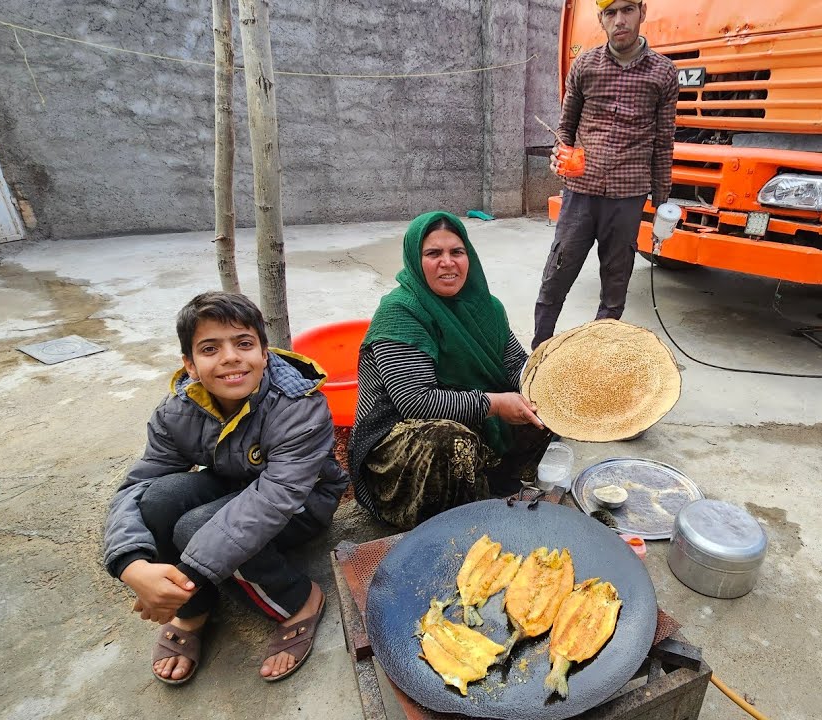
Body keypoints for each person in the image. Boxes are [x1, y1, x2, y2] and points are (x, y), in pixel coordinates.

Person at [102, 292, 348, 685]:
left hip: (301, 504)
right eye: (210, 348)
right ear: (190, 365)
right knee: (158, 499)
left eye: (244, 343)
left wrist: (184, 578)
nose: (231, 357)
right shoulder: (177, 410)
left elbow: (272, 501)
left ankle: (299, 601)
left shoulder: (299, 406)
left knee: (196, 527)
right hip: (234, 483)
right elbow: (138, 484)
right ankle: (194, 609)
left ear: (264, 353)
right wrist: (130, 563)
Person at [349, 211, 551, 529]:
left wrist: (549, 378)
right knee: (450, 442)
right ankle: (446, 526)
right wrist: (496, 404)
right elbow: (415, 401)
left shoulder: (487, 307)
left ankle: (499, 488)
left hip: (473, 419)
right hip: (404, 440)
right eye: (433, 254)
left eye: (457, 251)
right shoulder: (400, 312)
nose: (447, 262)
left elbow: (515, 365)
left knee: (547, 403)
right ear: (416, 260)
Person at [532, 0, 680, 349]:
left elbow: (663, 142)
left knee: (615, 286)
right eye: (610, 13)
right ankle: (538, 352)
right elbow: (566, 127)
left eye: (627, 10)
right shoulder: (585, 65)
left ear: (642, 12)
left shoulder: (663, 73)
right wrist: (561, 153)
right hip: (580, 193)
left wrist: (662, 202)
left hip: (628, 197)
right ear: (601, 19)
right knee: (556, 275)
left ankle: (597, 360)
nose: (619, 20)